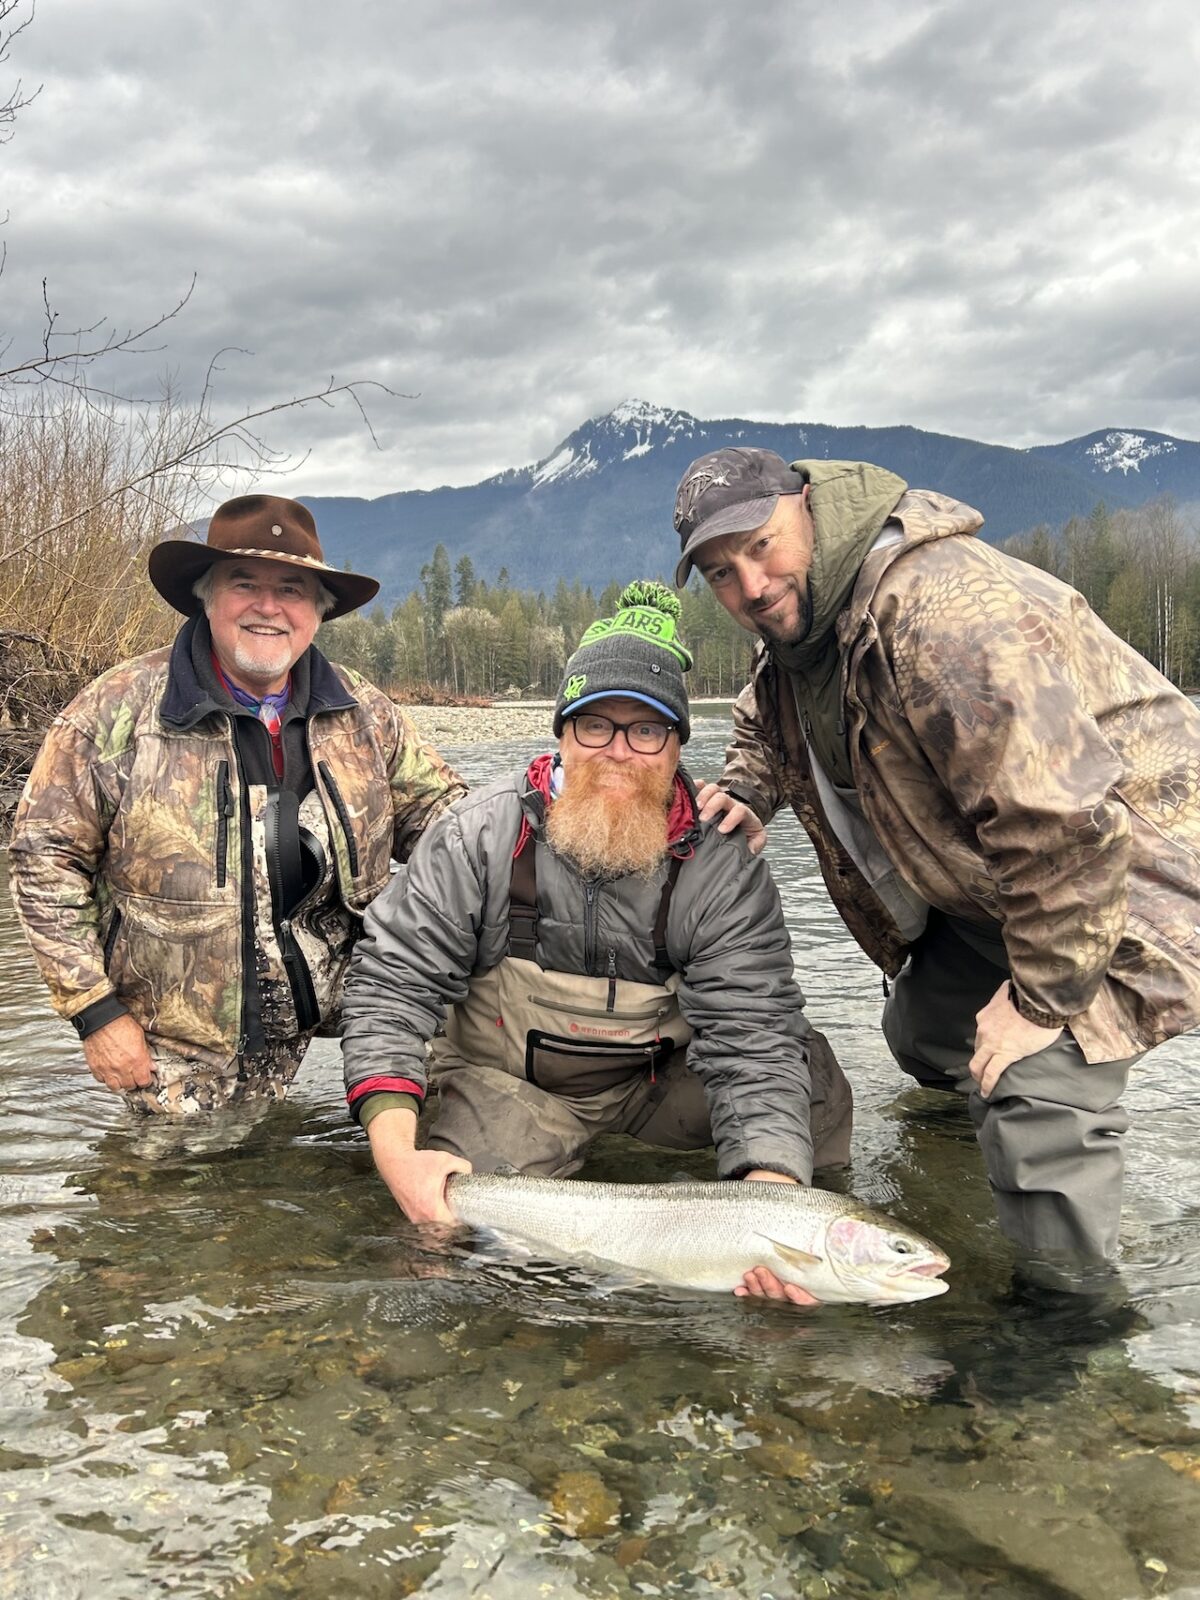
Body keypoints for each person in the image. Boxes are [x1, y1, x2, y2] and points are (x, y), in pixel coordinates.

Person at [672, 446, 1200, 1269]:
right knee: (924, 1029)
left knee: (1032, 1080)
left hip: (1133, 878)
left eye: (761, 545)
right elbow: (764, 712)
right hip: (1006, 883)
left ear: (806, 506)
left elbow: (1064, 822)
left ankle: (1066, 1314)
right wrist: (748, 787)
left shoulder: (939, 613)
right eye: (720, 573)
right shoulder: (807, 626)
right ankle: (959, 1174)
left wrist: (1037, 1008)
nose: (752, 585)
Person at [341, 581, 852, 1302]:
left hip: (656, 1087)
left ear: (677, 746)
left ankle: (809, 1261)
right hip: (512, 1090)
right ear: (561, 735)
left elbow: (754, 1039)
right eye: (594, 726)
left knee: (811, 1079)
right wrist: (397, 1154)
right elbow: (391, 986)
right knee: (452, 1230)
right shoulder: (478, 834)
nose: (619, 752)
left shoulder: (722, 865)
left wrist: (772, 1210)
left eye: (647, 731)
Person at [10, 494, 464, 1116]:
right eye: (244, 583)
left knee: (465, 1063)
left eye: (292, 590)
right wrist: (95, 1012)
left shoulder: (364, 712)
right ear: (206, 596)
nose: (268, 607)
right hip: (185, 1028)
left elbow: (447, 822)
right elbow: (43, 859)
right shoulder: (114, 710)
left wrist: (538, 828)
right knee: (187, 1172)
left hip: (353, 987)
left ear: (318, 611)